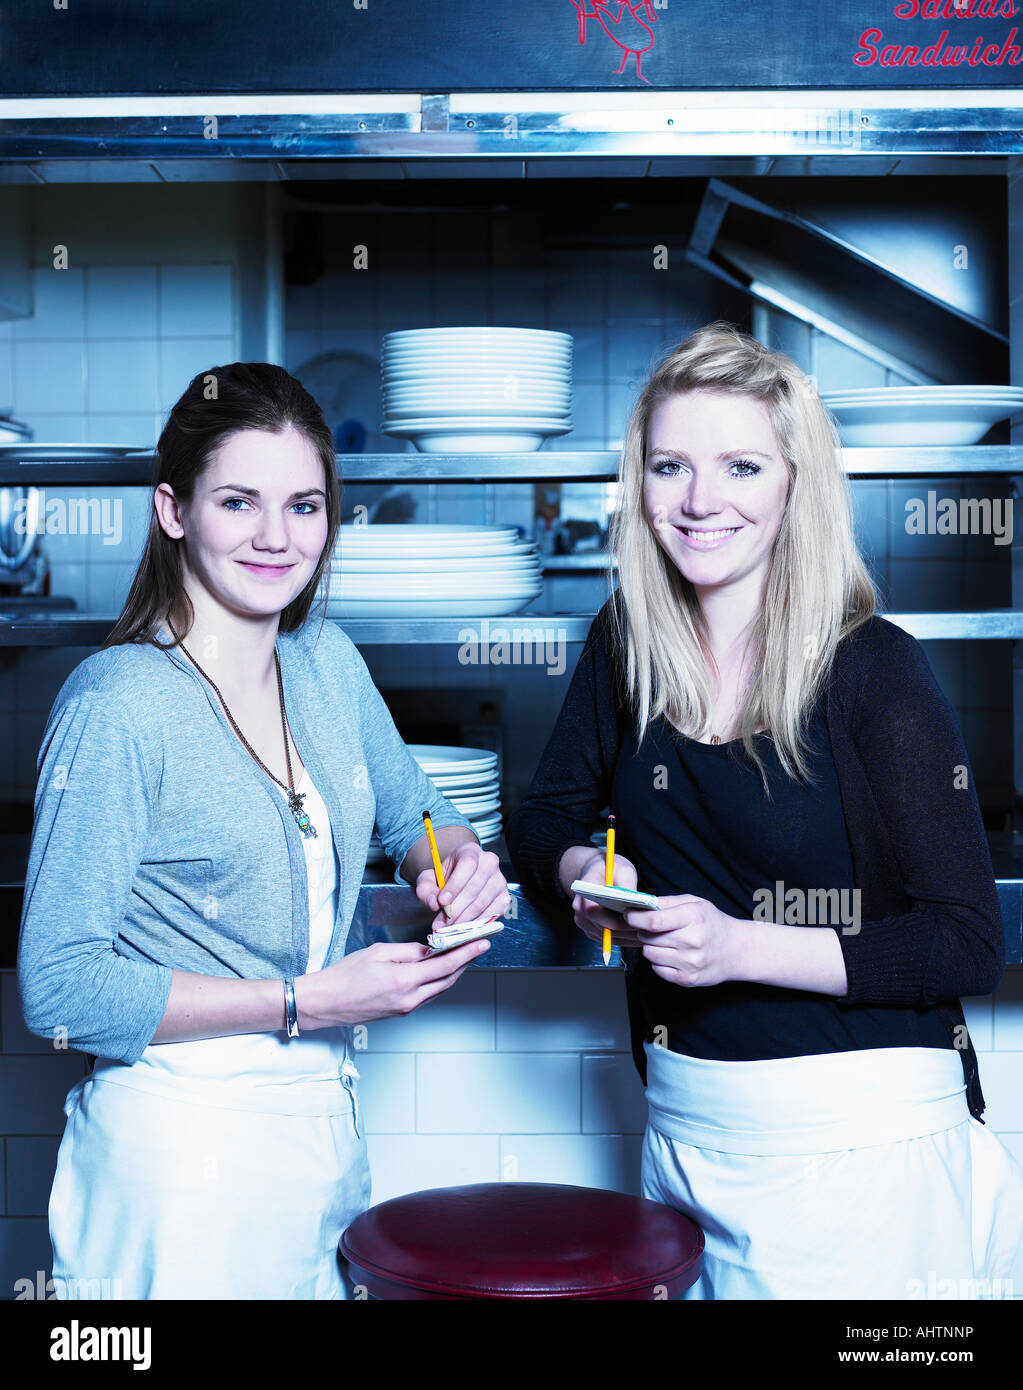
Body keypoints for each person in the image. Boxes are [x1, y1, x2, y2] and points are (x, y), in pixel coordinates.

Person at [506, 321, 1023, 1300]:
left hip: (867, 1152)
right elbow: (546, 819)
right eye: (671, 467)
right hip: (692, 1133)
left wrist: (743, 947)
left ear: (795, 484)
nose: (701, 502)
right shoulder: (629, 642)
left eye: (740, 466)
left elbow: (967, 942)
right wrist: (587, 878)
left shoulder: (873, 667)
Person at [18, 362, 509, 1300]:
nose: (277, 538)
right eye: (240, 502)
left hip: (319, 1134)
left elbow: (420, 815)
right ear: (173, 510)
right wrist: (302, 1002)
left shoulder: (325, 662)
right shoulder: (117, 703)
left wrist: (458, 866)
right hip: (178, 1154)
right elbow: (59, 988)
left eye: (306, 505)